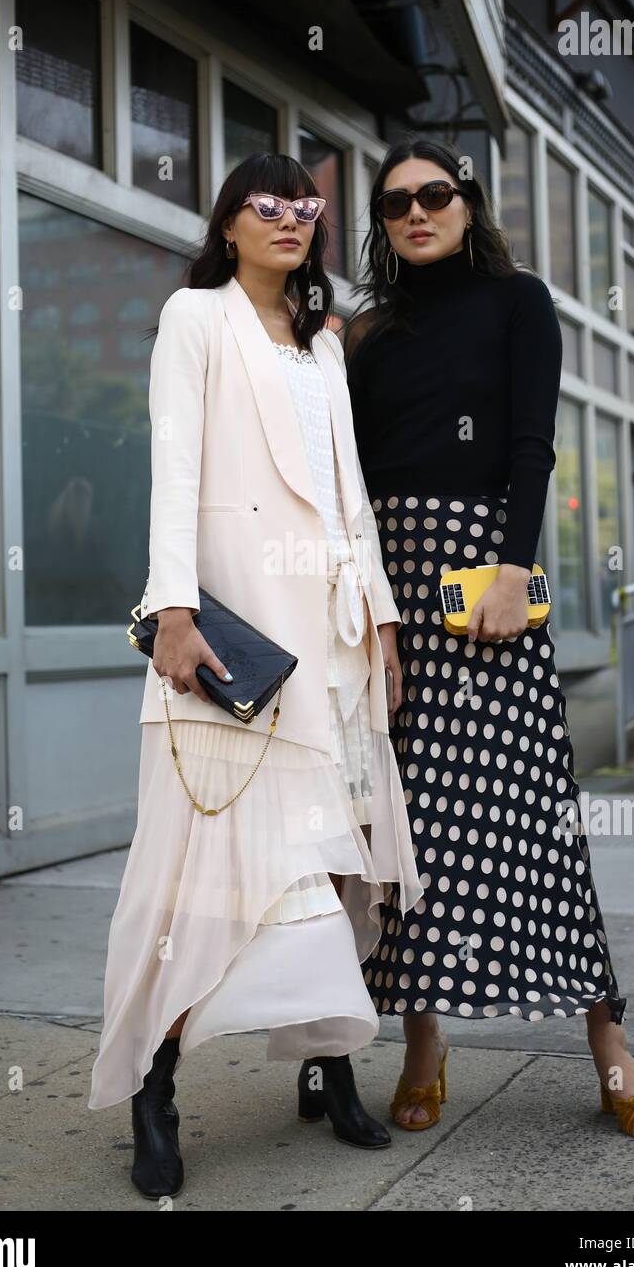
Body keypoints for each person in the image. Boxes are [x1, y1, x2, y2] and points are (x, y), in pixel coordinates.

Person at [87, 152, 422, 1198]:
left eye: (303, 207)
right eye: (263, 206)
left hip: (330, 639)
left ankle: (327, 1065)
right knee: (207, 878)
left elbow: (346, 497)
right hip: (237, 642)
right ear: (228, 225)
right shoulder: (197, 319)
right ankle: (153, 1079)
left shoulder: (324, 344)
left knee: (331, 862)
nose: (287, 220)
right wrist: (170, 613)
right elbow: (173, 467)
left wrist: (382, 627)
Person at [343, 137, 634, 1141]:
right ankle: (422, 1039)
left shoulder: (518, 301)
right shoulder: (366, 331)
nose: (414, 212)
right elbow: (348, 475)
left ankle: (606, 1039)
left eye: (433, 194)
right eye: (394, 203)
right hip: (390, 593)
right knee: (411, 835)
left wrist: (515, 569)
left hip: (483, 581)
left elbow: (531, 443)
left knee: (533, 817)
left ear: (466, 201)